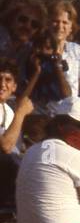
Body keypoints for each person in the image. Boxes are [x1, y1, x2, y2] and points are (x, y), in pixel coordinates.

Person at [0, 58, 39, 208]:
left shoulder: (8, 111)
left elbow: (15, 148)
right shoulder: (16, 113)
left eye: (8, 80)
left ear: (14, 87)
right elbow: (5, 146)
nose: (2, 84)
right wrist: (21, 113)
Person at [47, 0, 80, 95]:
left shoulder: (76, 50)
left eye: (65, 22)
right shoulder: (39, 48)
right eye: (56, 21)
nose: (60, 26)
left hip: (73, 106)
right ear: (48, 23)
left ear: (71, 27)